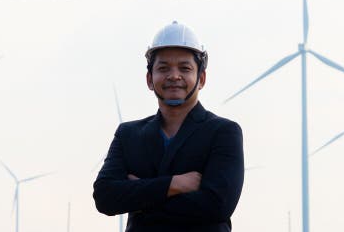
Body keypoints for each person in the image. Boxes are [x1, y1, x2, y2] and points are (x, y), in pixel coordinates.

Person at [93, 21, 244, 231]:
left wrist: (138, 197)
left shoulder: (223, 132)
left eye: (185, 68)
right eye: (163, 68)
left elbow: (218, 205)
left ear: (201, 78)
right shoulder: (128, 134)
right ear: (149, 79)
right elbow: (104, 196)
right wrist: (174, 184)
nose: (174, 76)